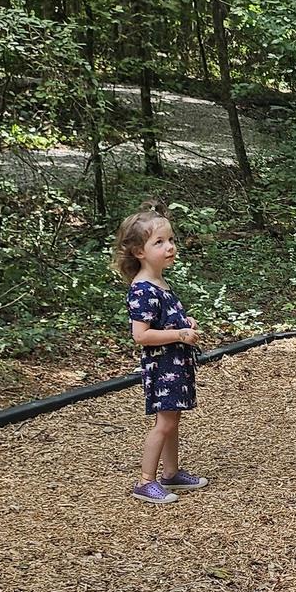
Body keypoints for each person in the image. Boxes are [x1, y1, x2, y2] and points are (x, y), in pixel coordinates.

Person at [112, 208, 207, 505]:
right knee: (163, 424)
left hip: (177, 365)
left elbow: (164, 321)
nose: (169, 247)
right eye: (159, 242)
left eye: (170, 240)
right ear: (139, 251)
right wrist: (179, 335)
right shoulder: (142, 289)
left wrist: (185, 323)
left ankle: (171, 473)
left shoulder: (161, 284)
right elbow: (141, 335)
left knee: (173, 420)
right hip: (163, 366)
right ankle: (145, 481)